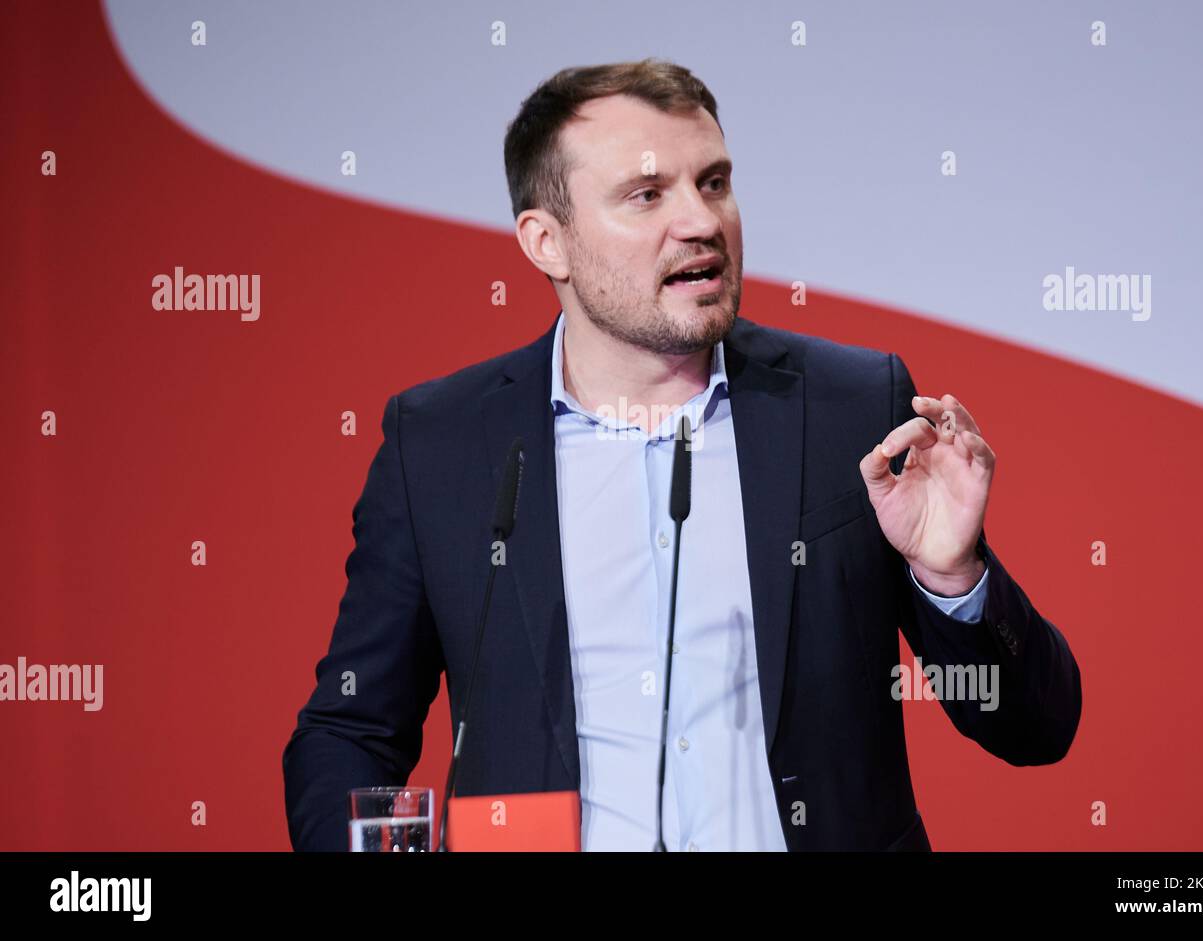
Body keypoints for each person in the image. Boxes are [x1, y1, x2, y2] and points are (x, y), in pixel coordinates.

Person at [283, 58, 1082, 852]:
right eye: (647, 194)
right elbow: (348, 728)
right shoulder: (443, 442)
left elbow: (1037, 727)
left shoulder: (850, 405)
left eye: (715, 182)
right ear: (546, 241)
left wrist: (954, 578)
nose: (701, 222)